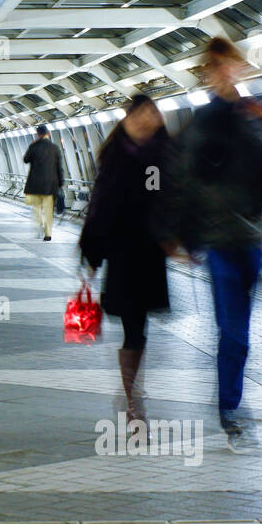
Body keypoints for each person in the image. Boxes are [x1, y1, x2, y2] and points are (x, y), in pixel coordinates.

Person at [168, 38, 262, 452]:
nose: (226, 73)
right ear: (209, 71)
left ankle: (230, 404)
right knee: (233, 331)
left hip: (251, 239)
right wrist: (186, 236)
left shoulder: (252, 114)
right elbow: (184, 181)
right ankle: (230, 411)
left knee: (240, 332)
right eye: (218, 67)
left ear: (239, 68)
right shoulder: (202, 123)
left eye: (232, 66)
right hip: (219, 241)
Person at [79, 95, 173, 426]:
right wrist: (92, 254)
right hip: (121, 253)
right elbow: (100, 206)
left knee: (140, 328)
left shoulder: (160, 153)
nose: (152, 118)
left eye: (154, 112)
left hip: (149, 253)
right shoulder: (116, 154)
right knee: (132, 327)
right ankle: (134, 401)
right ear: (132, 116)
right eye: (145, 112)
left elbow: (167, 196)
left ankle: (133, 394)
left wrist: (175, 234)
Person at [23, 124, 64, 241]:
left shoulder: (34, 146)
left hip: (35, 184)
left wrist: (31, 147)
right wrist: (60, 183)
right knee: (49, 209)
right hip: (51, 185)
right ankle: (48, 233)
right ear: (48, 134)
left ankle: (39, 223)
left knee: (37, 208)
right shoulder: (55, 147)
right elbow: (59, 167)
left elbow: (26, 160)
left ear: (38, 134)